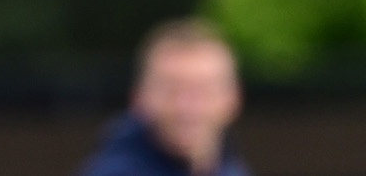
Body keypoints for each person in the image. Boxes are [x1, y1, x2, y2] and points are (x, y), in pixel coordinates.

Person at [74, 19, 251, 176]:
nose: (186, 107)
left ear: (233, 97)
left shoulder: (230, 167)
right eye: (171, 91)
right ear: (138, 97)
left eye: (203, 91)